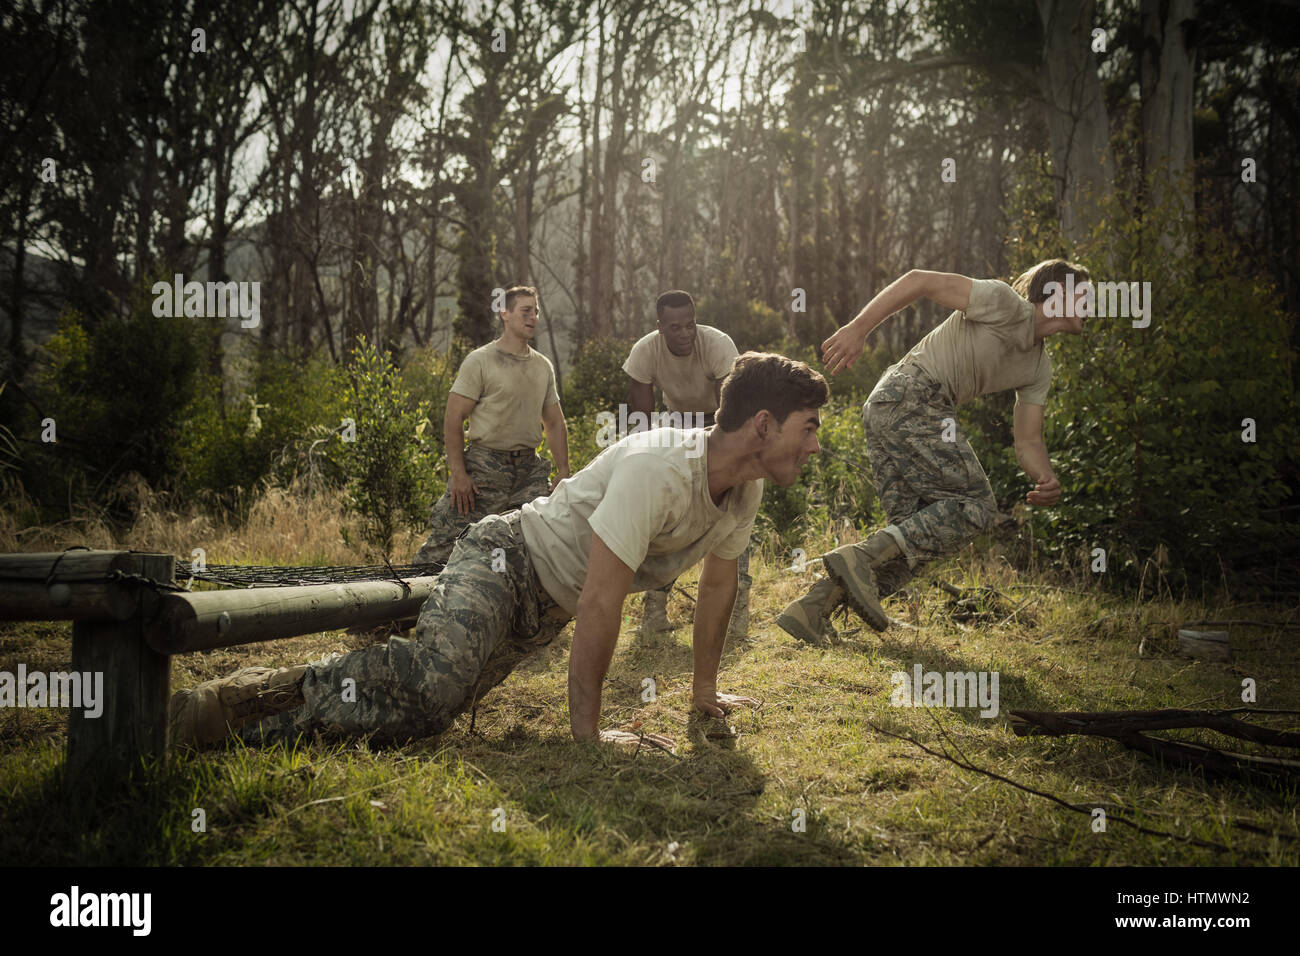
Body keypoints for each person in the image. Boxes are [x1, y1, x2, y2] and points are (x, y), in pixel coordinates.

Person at [170, 352, 829, 752]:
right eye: (808, 429)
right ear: (764, 425)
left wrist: (704, 692)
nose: (815, 446)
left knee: (430, 714)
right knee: (434, 686)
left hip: (544, 609)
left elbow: (718, 588)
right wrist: (587, 734)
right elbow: (603, 599)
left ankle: (270, 711)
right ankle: (218, 709)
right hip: (506, 557)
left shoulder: (743, 492)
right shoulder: (660, 468)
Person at [777, 259, 1090, 643]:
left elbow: (1028, 440)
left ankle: (811, 610)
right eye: (1085, 295)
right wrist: (858, 329)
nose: (1094, 305)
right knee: (976, 505)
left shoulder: (1039, 368)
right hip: (911, 394)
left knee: (911, 546)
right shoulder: (1003, 302)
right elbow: (919, 281)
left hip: (896, 408)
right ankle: (854, 560)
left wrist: (1045, 477)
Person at [412, 285, 569, 567]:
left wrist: (564, 469)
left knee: (538, 547)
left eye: (535, 311)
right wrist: (459, 473)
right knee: (443, 549)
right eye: (525, 311)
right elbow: (453, 418)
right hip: (485, 467)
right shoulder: (481, 361)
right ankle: (408, 605)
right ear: (504, 313)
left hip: (528, 472)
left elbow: (555, 422)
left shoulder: (542, 366)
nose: (532, 317)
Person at [622, 290, 749, 637]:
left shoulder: (718, 345)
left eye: (689, 325)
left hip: (720, 421)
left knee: (733, 509)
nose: (684, 334)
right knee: (667, 510)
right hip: (675, 421)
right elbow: (641, 421)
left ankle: (737, 614)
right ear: (660, 327)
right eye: (675, 327)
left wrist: (722, 457)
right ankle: (655, 612)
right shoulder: (645, 351)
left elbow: (732, 410)